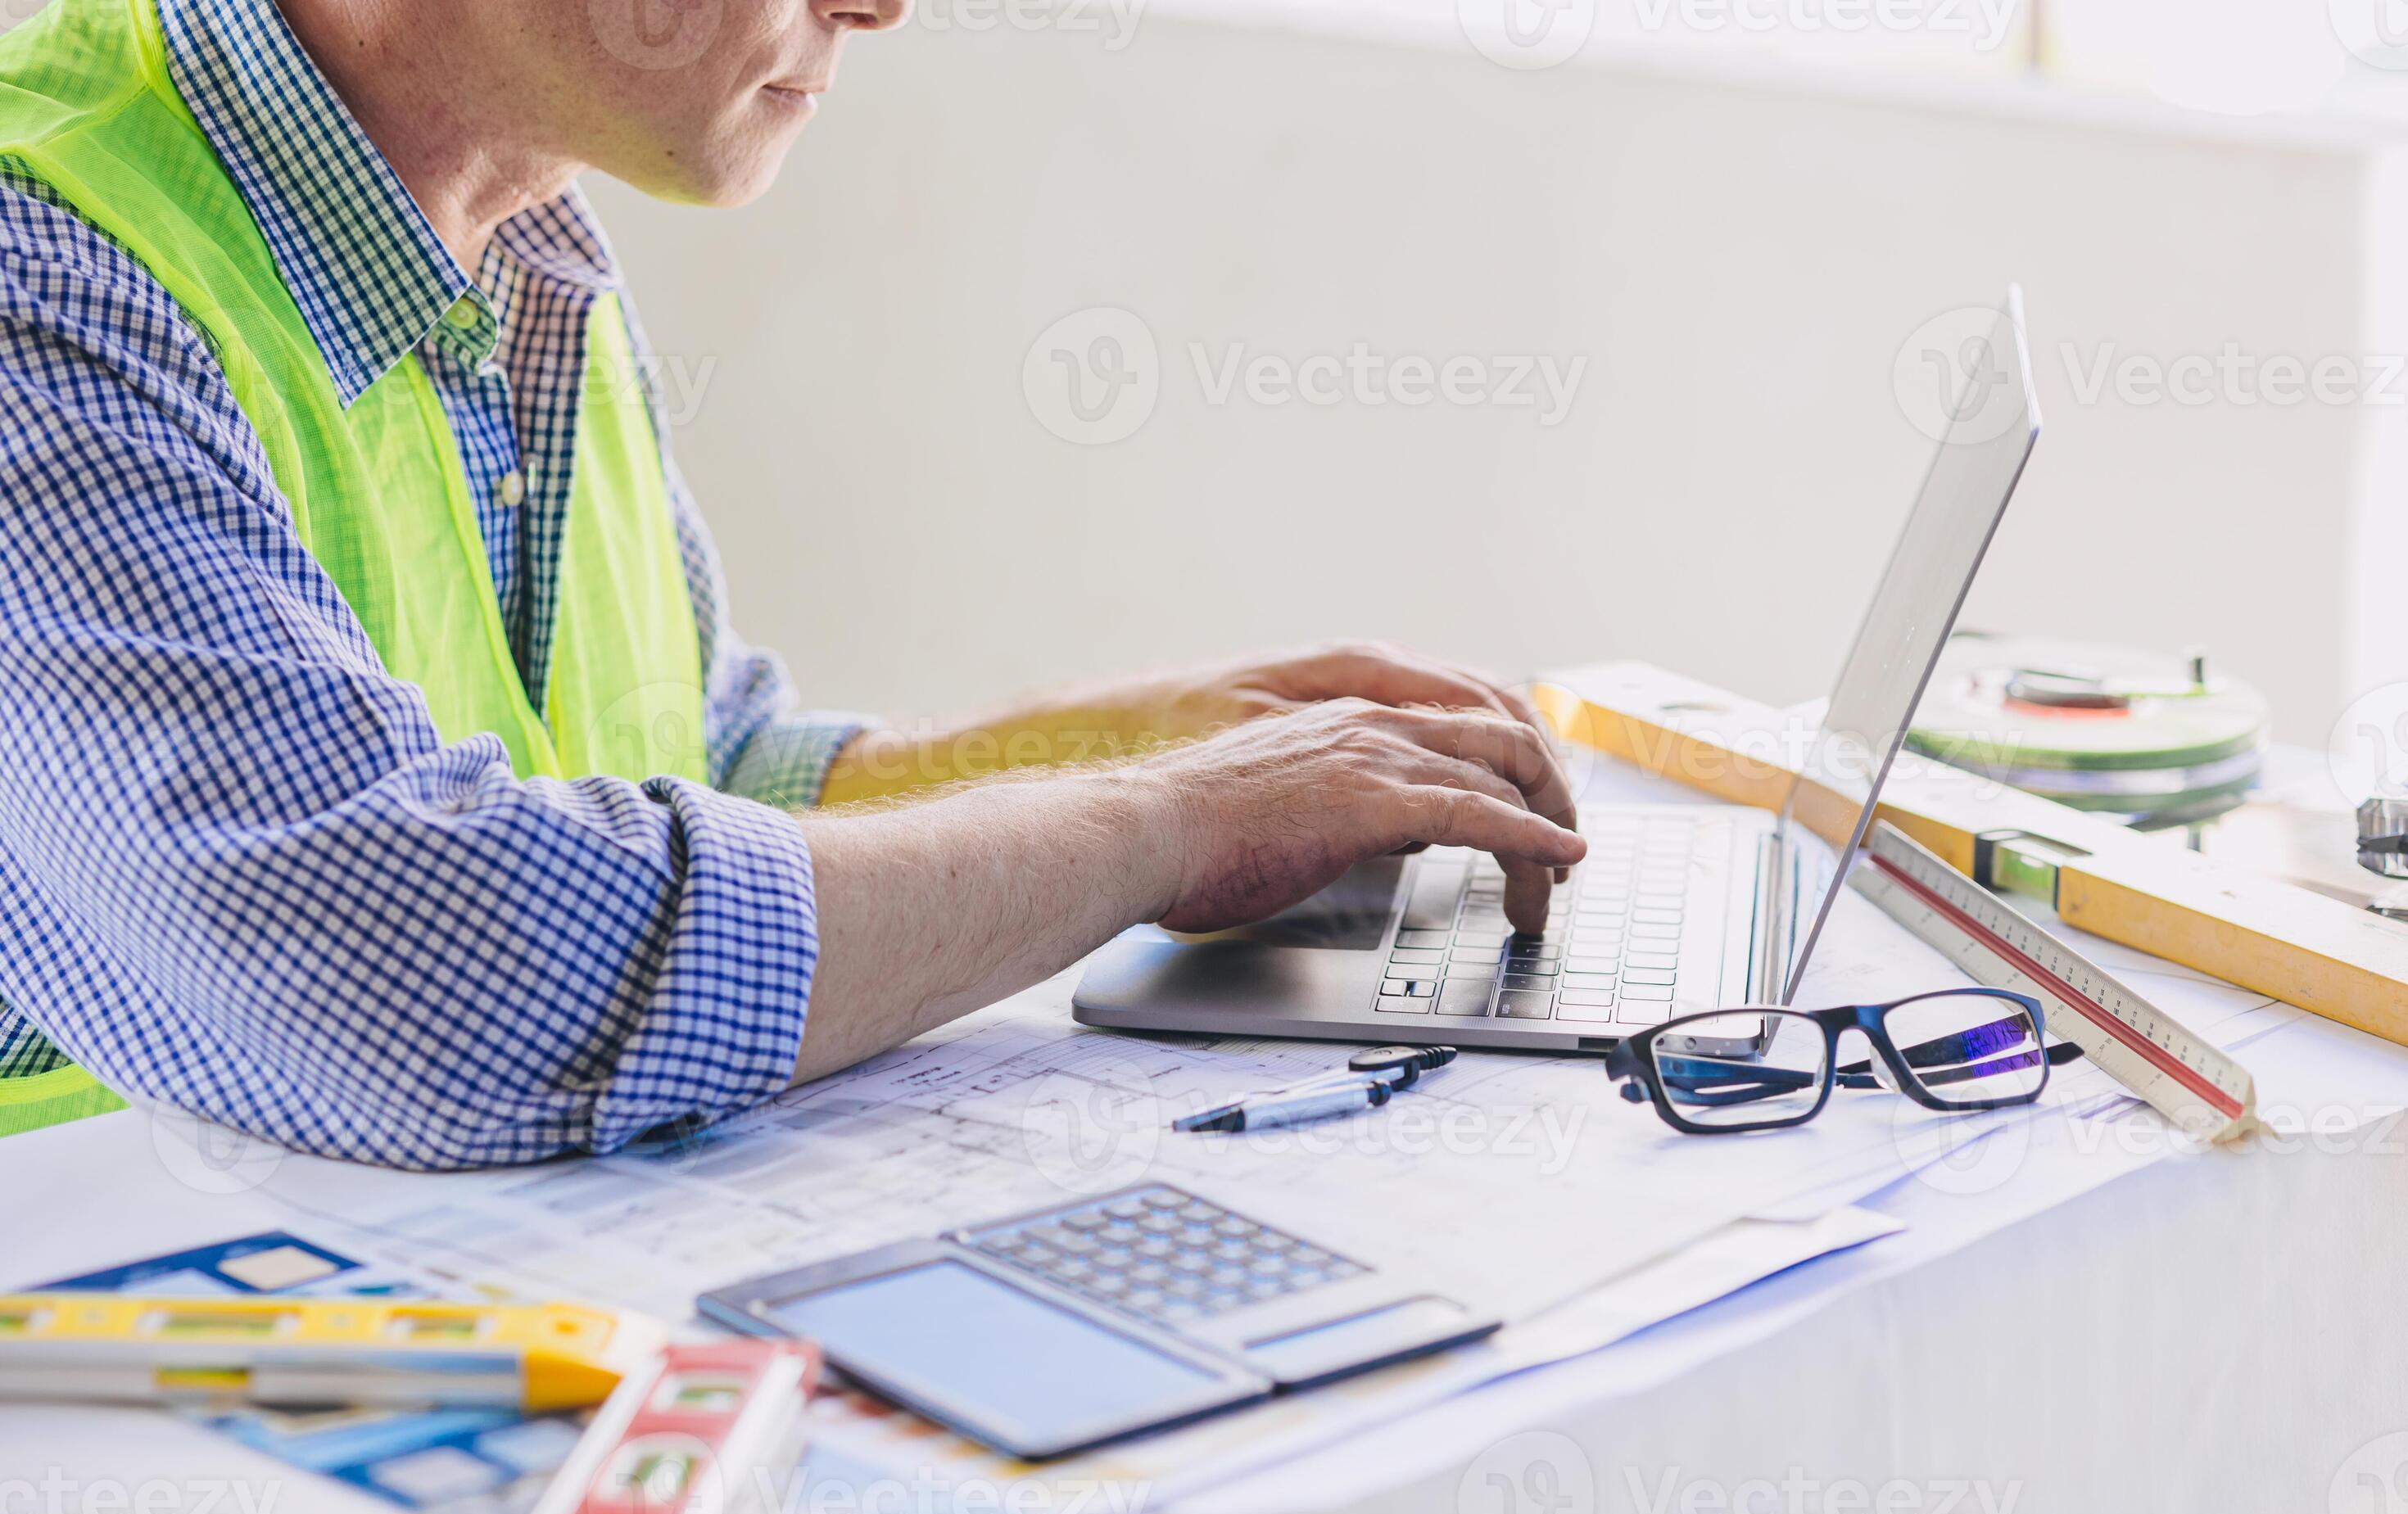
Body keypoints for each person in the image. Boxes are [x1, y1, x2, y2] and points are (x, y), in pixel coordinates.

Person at [0, 0, 1582, 1165]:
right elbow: (426, 982)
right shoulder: (38, 273)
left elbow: (709, 766)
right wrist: (1163, 829)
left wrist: (1172, 750)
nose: (881, 8)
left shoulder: (520, 253)